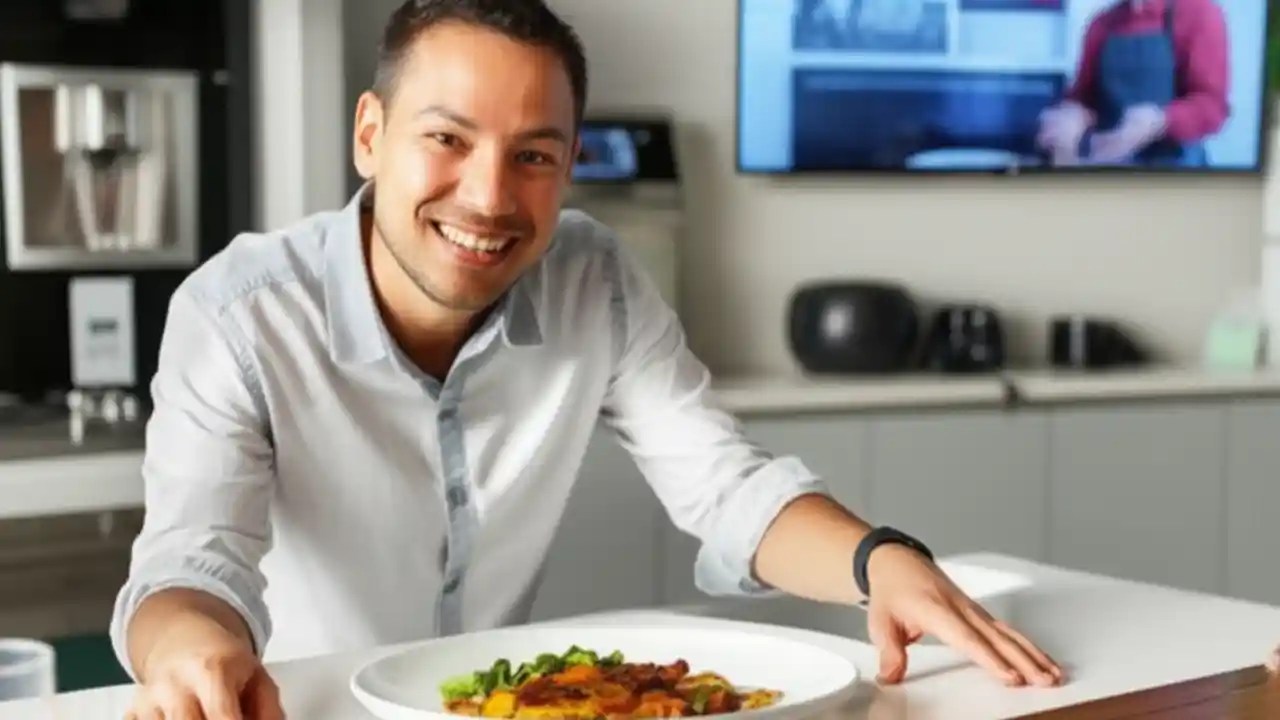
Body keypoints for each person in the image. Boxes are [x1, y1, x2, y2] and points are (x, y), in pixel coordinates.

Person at [112, 1, 1063, 717]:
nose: (489, 197)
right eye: (446, 138)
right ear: (370, 134)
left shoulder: (593, 277)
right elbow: (191, 559)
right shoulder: (238, 313)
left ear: (570, 166)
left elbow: (725, 486)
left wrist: (877, 559)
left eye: (534, 156)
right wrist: (189, 646)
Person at [1036, 0, 1230, 167]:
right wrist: (1071, 116)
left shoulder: (1200, 13)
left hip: (1177, 172)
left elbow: (1212, 106)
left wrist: (1159, 121)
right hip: (1111, 165)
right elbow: (1083, 97)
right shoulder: (1102, 23)